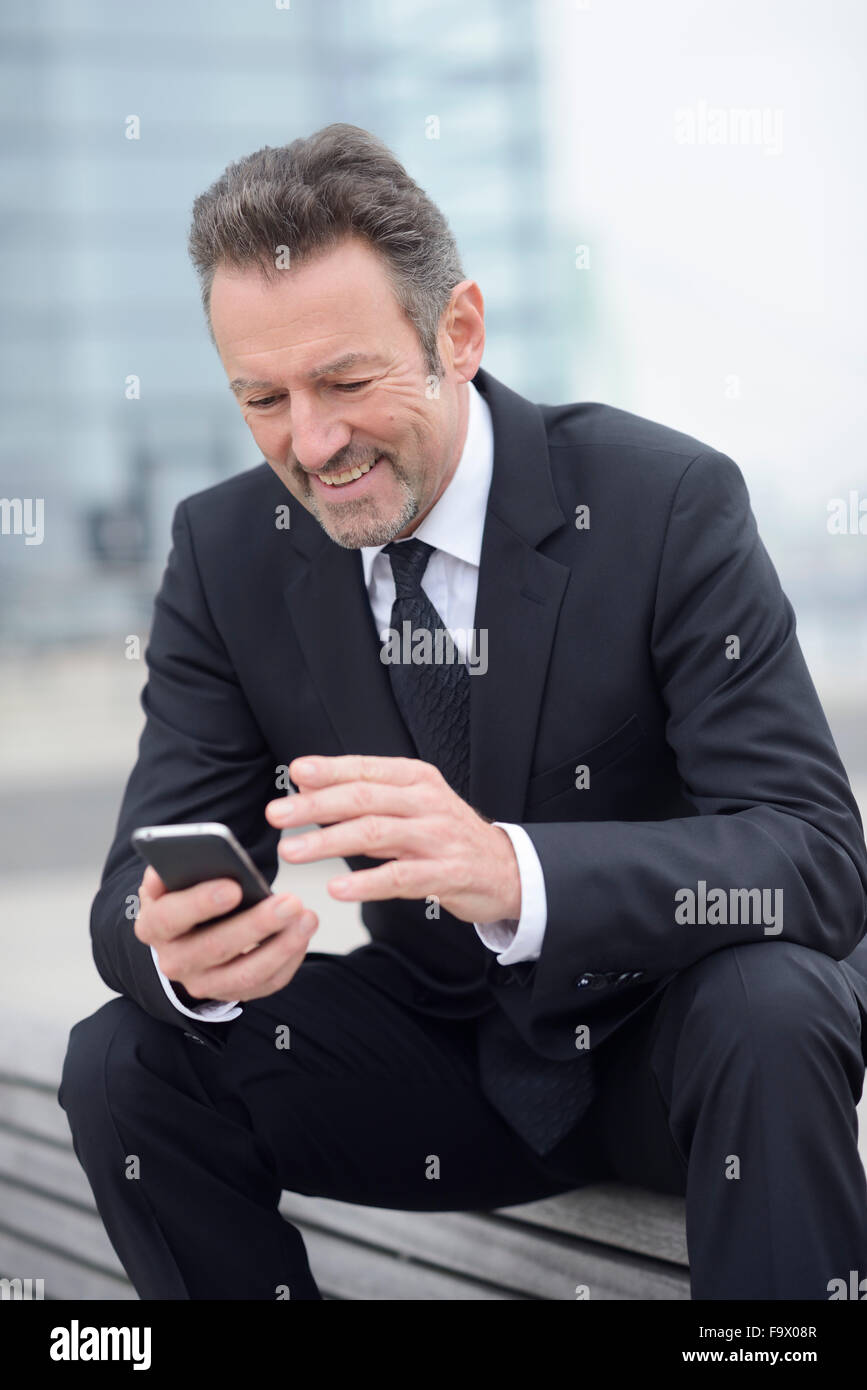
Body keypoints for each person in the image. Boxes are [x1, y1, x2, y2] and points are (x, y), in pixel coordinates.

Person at [59, 123, 867, 1301]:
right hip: (444, 1062)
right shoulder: (226, 551)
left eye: (343, 381)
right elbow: (127, 892)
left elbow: (818, 858)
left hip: (678, 1051)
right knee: (124, 1056)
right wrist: (183, 952)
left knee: (775, 998)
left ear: (460, 332)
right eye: (263, 398)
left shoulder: (665, 503)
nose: (313, 441)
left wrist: (513, 870)